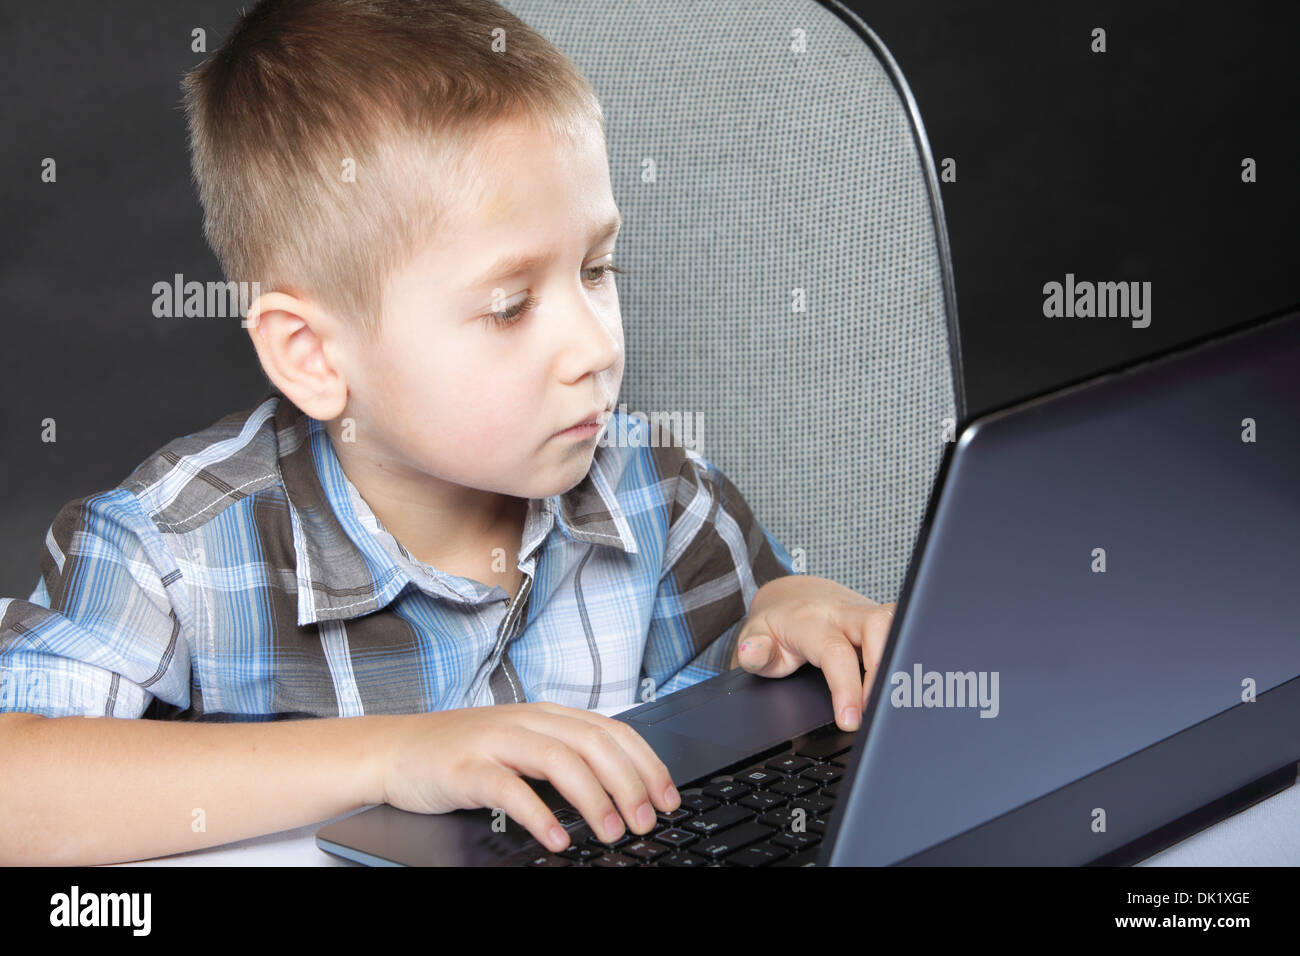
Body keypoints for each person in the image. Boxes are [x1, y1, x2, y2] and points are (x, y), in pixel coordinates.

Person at [0, 0, 894, 866]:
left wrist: (792, 615)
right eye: (509, 307)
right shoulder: (177, 552)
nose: (595, 347)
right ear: (312, 355)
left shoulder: (655, 491)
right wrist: (396, 756)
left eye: (597, 267)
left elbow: (756, 660)